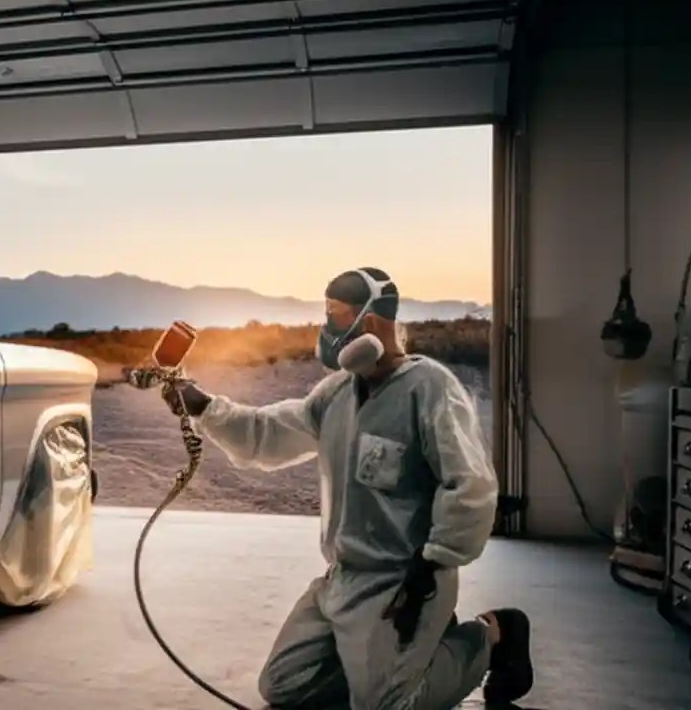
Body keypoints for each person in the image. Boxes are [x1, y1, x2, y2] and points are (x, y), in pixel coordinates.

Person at [161, 267, 533, 709]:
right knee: (282, 685)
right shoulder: (336, 393)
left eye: (334, 315)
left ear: (371, 322)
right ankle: (382, 664)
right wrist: (205, 407)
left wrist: (431, 566)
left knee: (389, 706)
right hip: (341, 580)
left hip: (405, 584)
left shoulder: (430, 389)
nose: (325, 328)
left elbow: (470, 485)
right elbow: (269, 433)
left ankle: (490, 635)